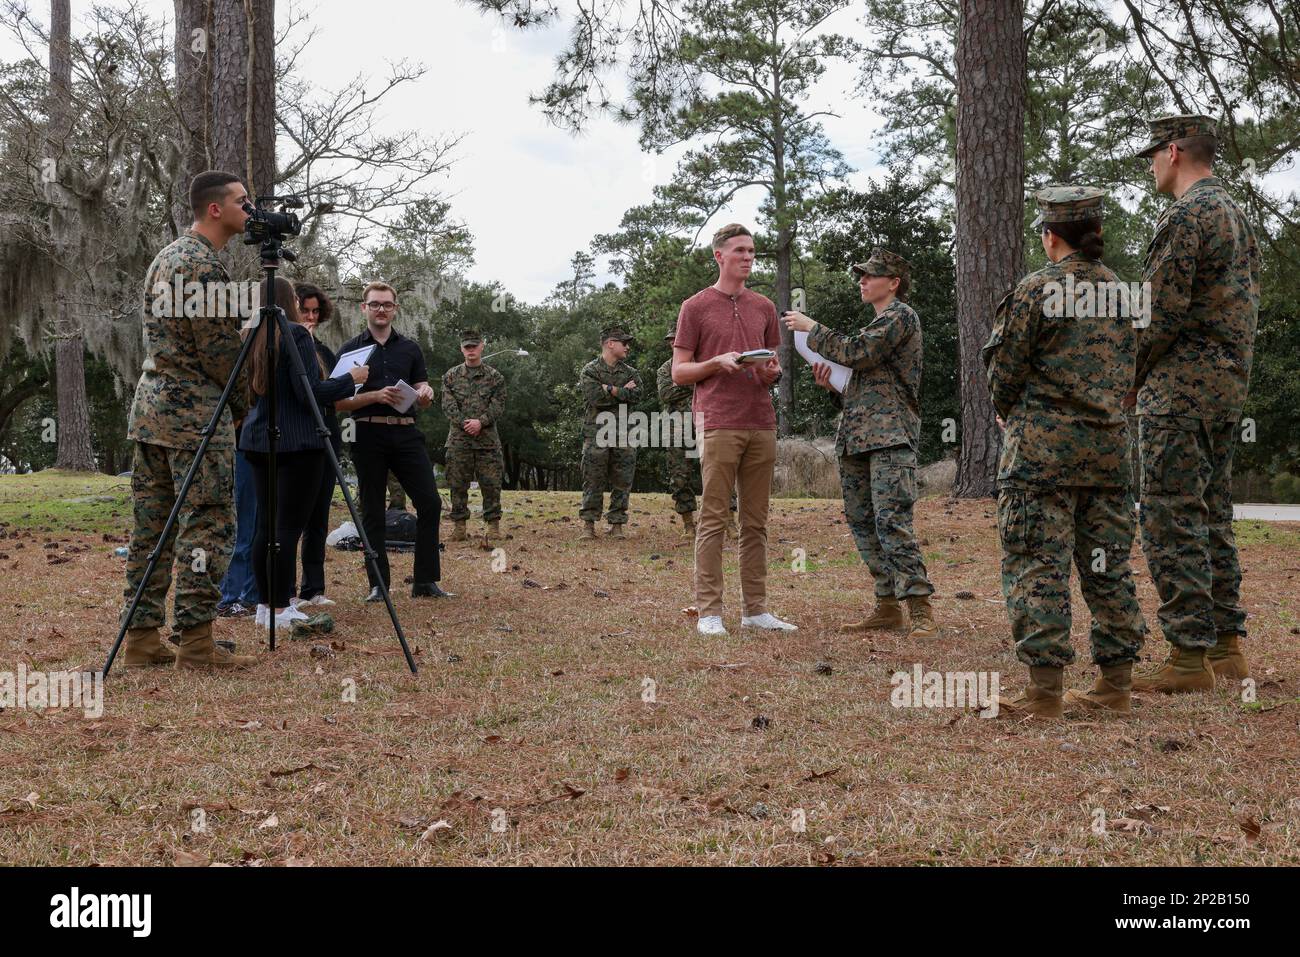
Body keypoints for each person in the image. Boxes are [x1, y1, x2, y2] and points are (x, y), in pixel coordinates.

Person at [981, 186, 1147, 717]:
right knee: (1108, 567)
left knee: (1038, 567)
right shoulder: (1127, 294)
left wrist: (1013, 410)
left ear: (1050, 235)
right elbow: (1134, 372)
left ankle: (1044, 694)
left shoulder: (1036, 290)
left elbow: (1003, 373)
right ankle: (1116, 686)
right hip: (1108, 455)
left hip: (1041, 459)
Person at [1129, 115, 1260, 695]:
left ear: (1175, 150)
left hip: (1178, 392)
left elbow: (1157, 313)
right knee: (1211, 512)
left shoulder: (1187, 216)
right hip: (1225, 390)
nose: (1151, 164)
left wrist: (1123, 378)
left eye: (1153, 153)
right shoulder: (1234, 214)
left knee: (1170, 516)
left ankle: (1188, 660)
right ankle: (1228, 648)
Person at [118, 170, 255, 670]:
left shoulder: (166, 257)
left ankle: (141, 638)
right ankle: (196, 643)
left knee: (150, 529)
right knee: (208, 524)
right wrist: (243, 407)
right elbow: (220, 355)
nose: (251, 210)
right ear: (214, 209)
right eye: (244, 201)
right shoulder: (203, 267)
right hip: (196, 415)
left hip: (151, 411)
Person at [783, 248, 937, 640]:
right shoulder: (879, 322)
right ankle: (887, 605)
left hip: (890, 437)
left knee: (892, 522)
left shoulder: (901, 316)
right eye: (861, 276)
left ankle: (919, 608)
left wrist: (812, 329)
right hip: (856, 436)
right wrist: (834, 385)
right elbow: (860, 380)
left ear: (894, 282)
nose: (862, 282)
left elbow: (859, 353)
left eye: (870, 276)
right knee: (863, 522)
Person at [672, 223, 795, 636]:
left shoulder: (763, 306)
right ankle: (709, 612)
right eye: (740, 251)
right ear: (718, 256)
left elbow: (768, 370)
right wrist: (715, 363)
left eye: (752, 251)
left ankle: (755, 611)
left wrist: (770, 374)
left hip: (761, 421)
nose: (748, 257)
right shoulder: (695, 306)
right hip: (718, 421)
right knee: (713, 518)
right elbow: (679, 371)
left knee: (756, 522)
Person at [238, 277, 362, 629]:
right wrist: (352, 377)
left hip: (258, 440)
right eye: (294, 297)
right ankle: (281, 606)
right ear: (285, 300)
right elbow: (312, 392)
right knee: (288, 528)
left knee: (265, 524)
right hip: (298, 443)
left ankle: (265, 605)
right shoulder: (296, 335)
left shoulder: (249, 335)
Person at [335, 282, 452, 601]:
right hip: (368, 433)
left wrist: (426, 394)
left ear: (395, 308)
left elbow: (422, 388)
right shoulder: (350, 349)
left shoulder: (410, 348)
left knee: (430, 501)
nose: (381, 309)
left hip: (405, 432)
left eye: (387, 304)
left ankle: (425, 581)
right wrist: (374, 395)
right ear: (364, 308)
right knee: (372, 508)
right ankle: (378, 584)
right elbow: (337, 402)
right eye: (375, 304)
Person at [657, 323, 738, 540]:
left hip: (709, 423)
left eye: (677, 338)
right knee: (680, 478)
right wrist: (698, 378)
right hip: (678, 430)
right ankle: (688, 525)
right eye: (671, 340)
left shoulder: (707, 362)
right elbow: (666, 394)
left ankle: (729, 522)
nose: (674, 342)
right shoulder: (665, 369)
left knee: (720, 473)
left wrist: (687, 378)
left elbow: (720, 388)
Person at [294, 282, 343, 608]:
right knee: (289, 520)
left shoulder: (324, 351)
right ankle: (280, 592)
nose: (310, 317)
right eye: (304, 311)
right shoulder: (283, 347)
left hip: (327, 439)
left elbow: (335, 396)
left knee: (318, 518)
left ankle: (314, 588)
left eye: (315, 312)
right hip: (295, 443)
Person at [442, 330, 507, 542]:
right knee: (457, 483)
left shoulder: (495, 377)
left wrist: (481, 422)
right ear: (461, 348)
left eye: (474, 346)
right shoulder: (450, 376)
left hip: (487, 440)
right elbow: (448, 406)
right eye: (467, 346)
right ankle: (459, 527)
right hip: (459, 440)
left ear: (482, 346)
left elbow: (498, 405)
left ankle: (493, 526)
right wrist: (465, 423)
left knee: (491, 483)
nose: (471, 350)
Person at [578, 327, 641, 539]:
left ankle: (617, 524)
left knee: (622, 479)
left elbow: (637, 395)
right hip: (596, 433)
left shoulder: (631, 372)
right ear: (610, 344)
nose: (628, 347)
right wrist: (622, 390)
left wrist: (609, 388)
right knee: (593, 478)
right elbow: (595, 398)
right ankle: (589, 525)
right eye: (624, 343)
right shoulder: (590, 370)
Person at [216, 448, 258, 618]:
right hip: (241, 447)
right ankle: (228, 600)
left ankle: (250, 597)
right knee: (240, 526)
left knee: (256, 527)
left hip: (263, 448)